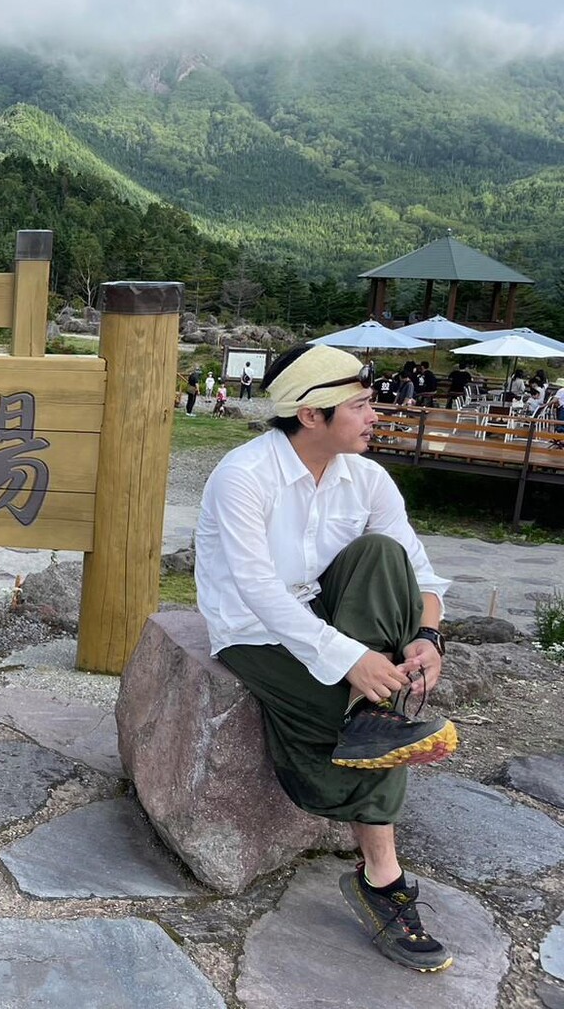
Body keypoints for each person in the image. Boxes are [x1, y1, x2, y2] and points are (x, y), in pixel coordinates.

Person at [195, 342, 457, 973]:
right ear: (311, 415)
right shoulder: (244, 475)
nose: (377, 415)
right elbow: (257, 592)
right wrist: (349, 663)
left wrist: (428, 637)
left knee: (382, 558)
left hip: (330, 615)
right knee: (371, 715)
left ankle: (371, 722)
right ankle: (382, 878)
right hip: (253, 631)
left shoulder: (365, 477)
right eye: (362, 404)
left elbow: (422, 578)